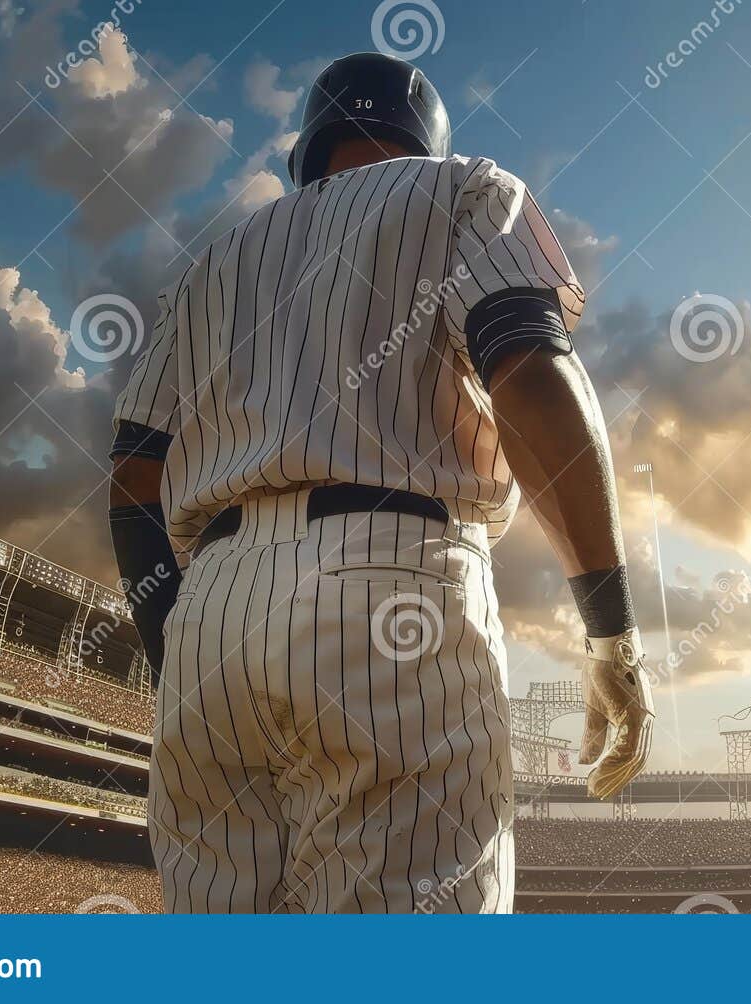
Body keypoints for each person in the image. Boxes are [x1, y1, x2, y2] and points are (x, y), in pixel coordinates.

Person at [107, 51, 652, 913]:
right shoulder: (465, 189)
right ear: (423, 137)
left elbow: (133, 479)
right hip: (393, 583)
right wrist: (611, 630)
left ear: (308, 148)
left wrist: (179, 648)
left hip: (210, 611)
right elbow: (528, 374)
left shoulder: (210, 265)